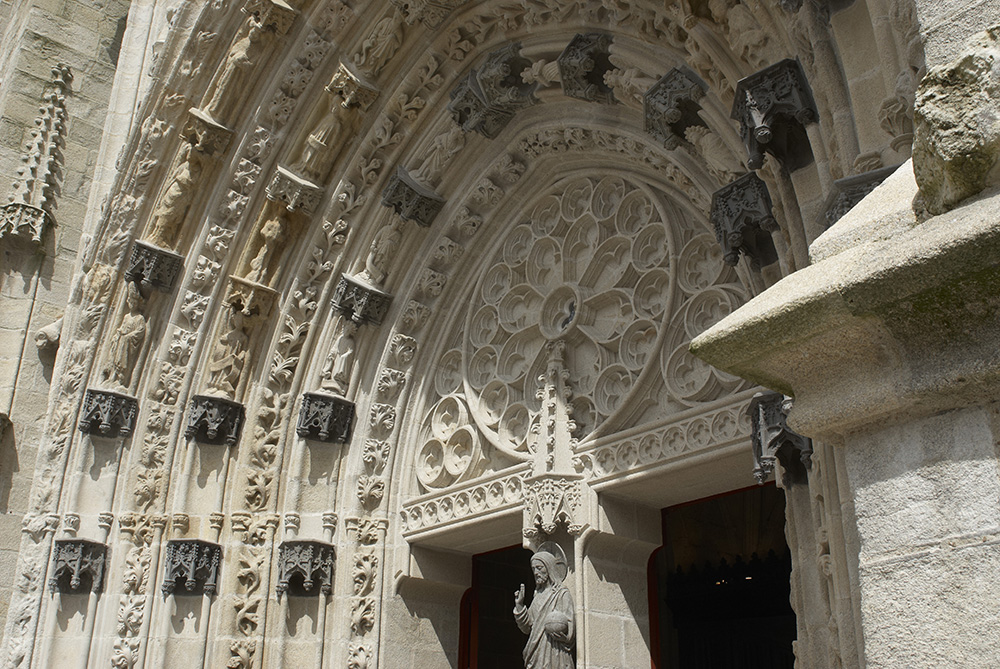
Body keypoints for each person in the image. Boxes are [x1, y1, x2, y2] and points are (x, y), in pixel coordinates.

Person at [513, 549, 575, 669]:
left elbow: (570, 622)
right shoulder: (537, 596)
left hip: (555, 650)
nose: (536, 572)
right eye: (533, 569)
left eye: (539, 568)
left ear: (549, 567)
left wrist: (565, 636)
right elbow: (527, 627)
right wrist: (520, 606)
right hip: (536, 652)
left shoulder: (561, 594)